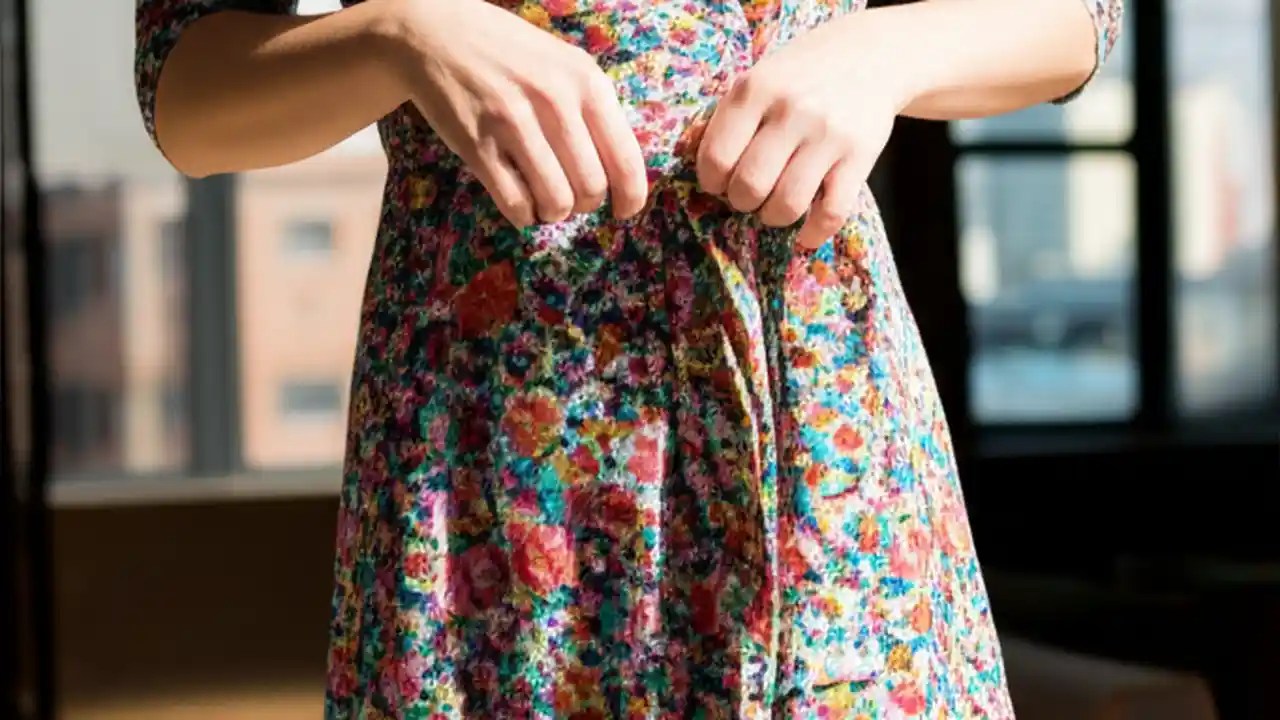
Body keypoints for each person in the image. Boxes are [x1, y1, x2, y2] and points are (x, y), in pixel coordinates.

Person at [135, 0, 1121, 716]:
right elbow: (191, 88)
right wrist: (405, 35)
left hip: (817, 406)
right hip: (503, 431)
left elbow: (1076, 18)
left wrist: (887, 49)